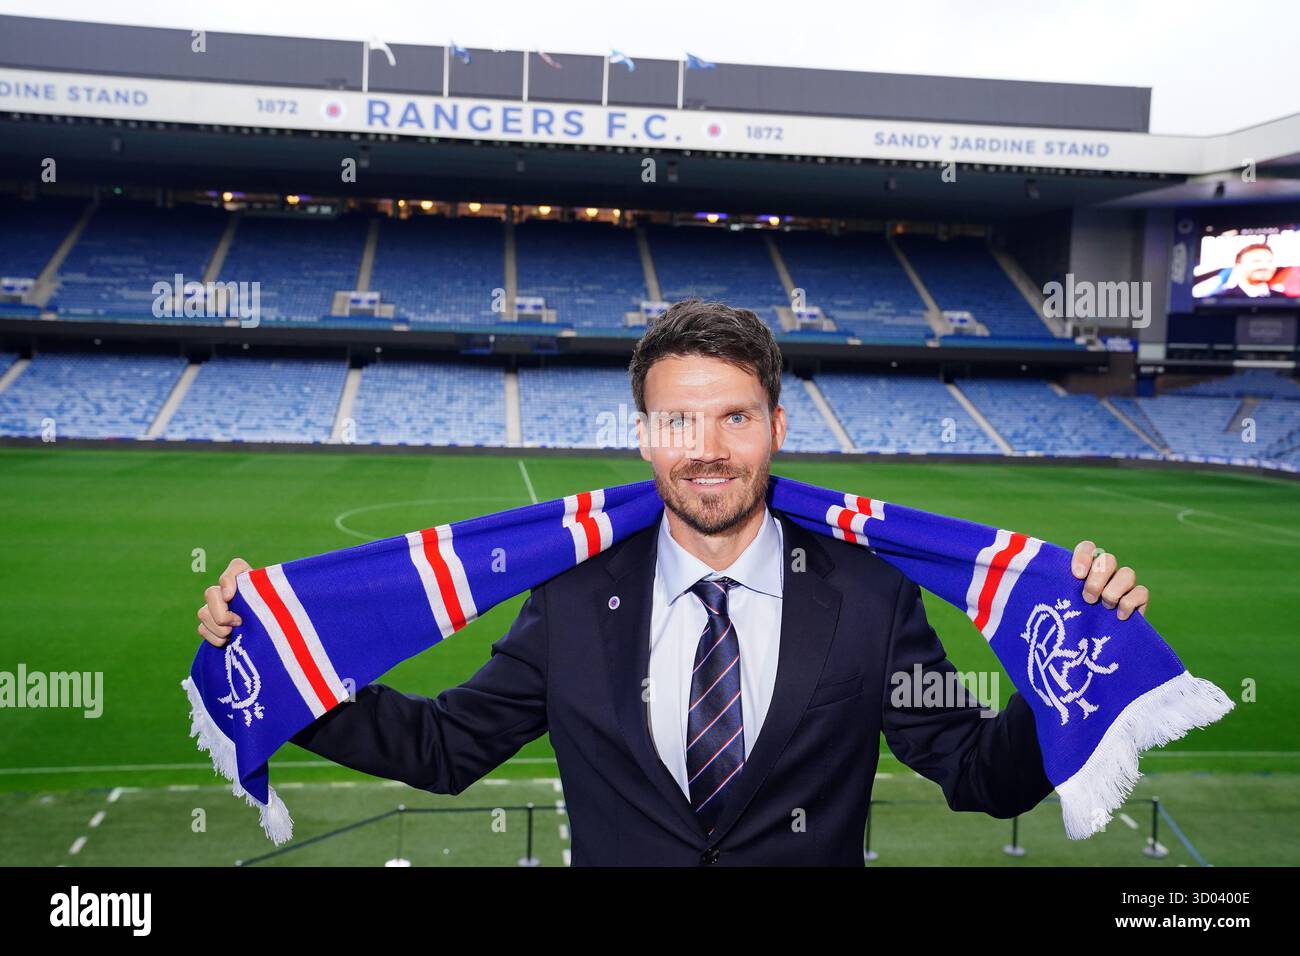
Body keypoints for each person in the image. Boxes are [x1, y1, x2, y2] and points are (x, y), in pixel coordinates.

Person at [195, 299, 1150, 866]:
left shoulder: (869, 595)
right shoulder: (572, 599)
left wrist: (1066, 668)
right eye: (677, 424)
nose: (707, 452)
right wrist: (286, 674)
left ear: (778, 428)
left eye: (734, 418)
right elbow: (446, 748)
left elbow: (977, 773)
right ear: (645, 438)